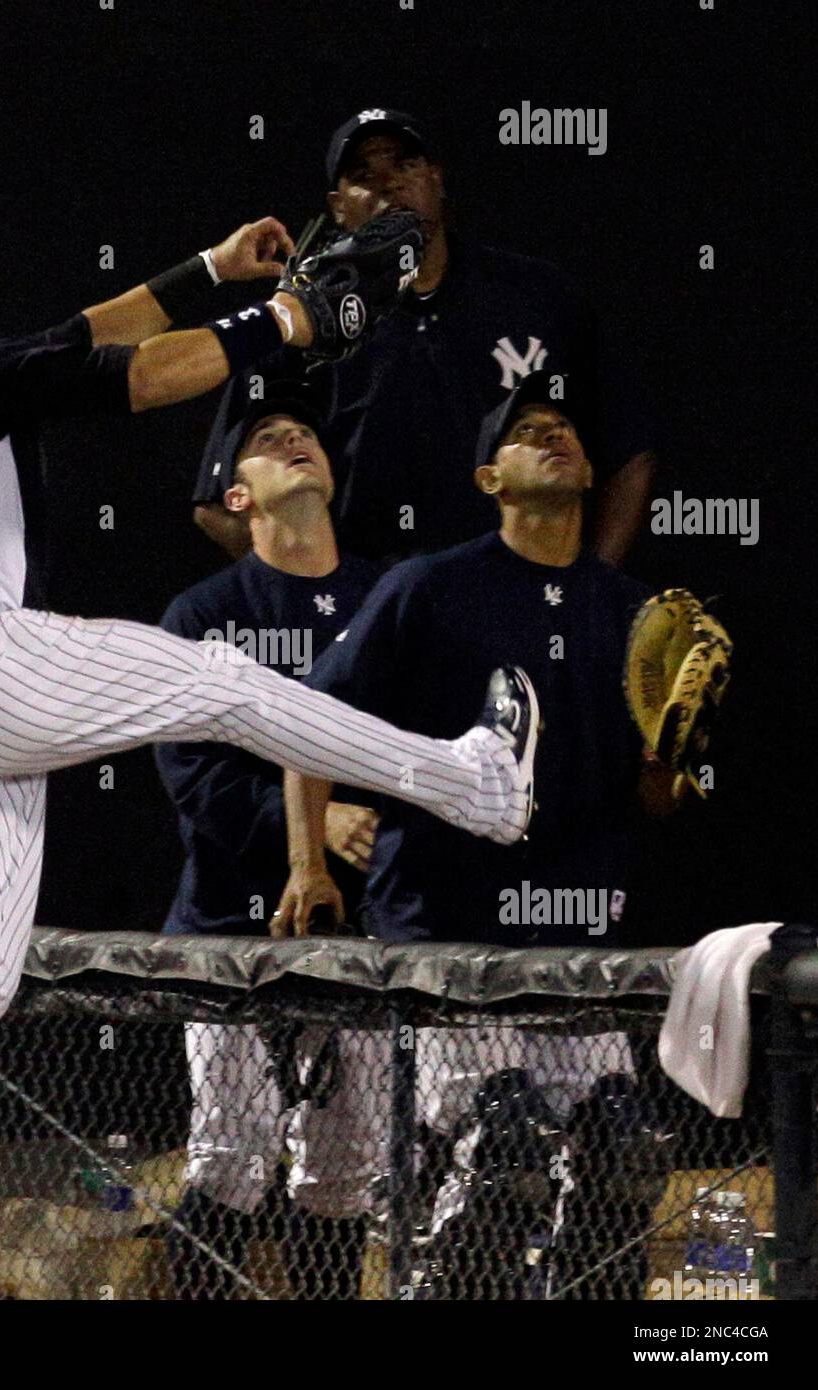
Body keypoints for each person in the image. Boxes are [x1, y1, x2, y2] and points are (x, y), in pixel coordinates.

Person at [0, 172, 540, 1264]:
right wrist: (285, 319)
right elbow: (141, 376)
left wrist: (204, 273)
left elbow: (77, 340)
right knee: (221, 681)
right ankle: (474, 783)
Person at [275, 370, 681, 1296]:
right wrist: (308, 860)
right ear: (489, 480)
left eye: (565, 429)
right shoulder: (431, 586)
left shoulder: (634, 615)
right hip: (449, 933)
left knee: (621, 1158)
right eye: (527, 430)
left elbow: (654, 804)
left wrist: (671, 758)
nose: (554, 437)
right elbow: (306, 719)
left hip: (581, 944)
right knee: (496, 1156)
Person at [193, 108, 656, 568]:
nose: (388, 183)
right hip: (370, 613)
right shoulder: (302, 318)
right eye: (363, 174)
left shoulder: (536, 297)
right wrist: (319, 600)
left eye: (406, 165)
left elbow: (628, 455)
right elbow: (215, 505)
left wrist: (589, 591)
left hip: (517, 603)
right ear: (338, 207)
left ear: (437, 178)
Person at [154, 386, 384, 1299]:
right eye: (265, 441)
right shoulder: (203, 614)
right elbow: (191, 775)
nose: (294, 441)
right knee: (228, 1157)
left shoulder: (387, 593)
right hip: (227, 928)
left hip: (363, 932)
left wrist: (367, 828)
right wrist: (313, 823)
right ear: (234, 496)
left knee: (342, 1169)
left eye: (304, 435)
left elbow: (435, 749)